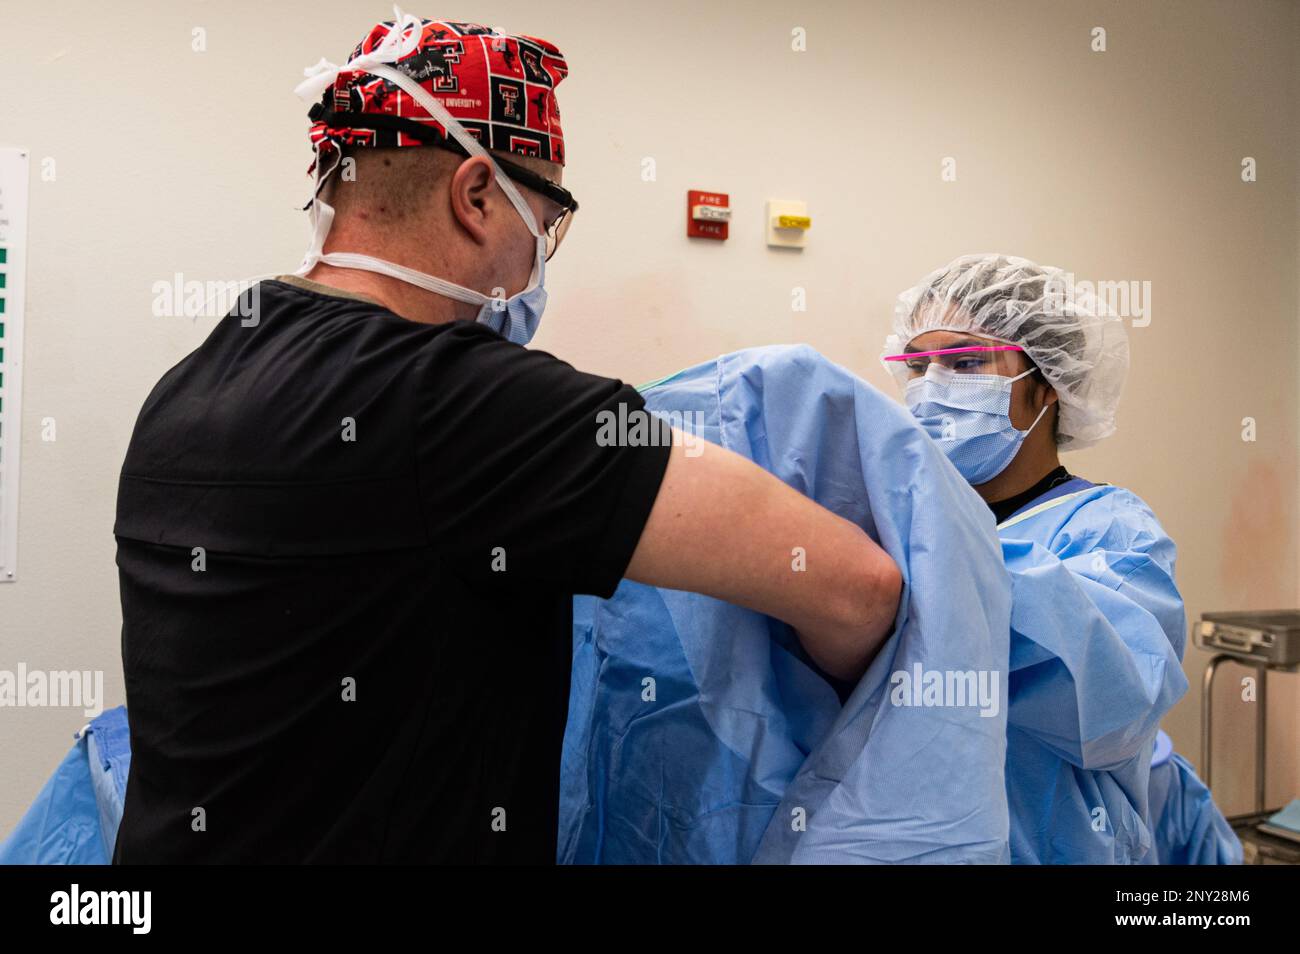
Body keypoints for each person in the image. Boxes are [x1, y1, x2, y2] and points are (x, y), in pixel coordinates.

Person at [112, 14, 901, 864]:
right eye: (546, 218)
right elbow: (856, 587)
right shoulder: (461, 404)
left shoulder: (193, 381)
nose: (538, 260)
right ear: (478, 195)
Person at [881, 253, 1188, 864]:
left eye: (966, 361)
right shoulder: (896, 522)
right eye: (917, 365)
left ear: (1048, 384)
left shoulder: (1112, 533)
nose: (932, 386)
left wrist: (941, 569)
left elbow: (1112, 708)